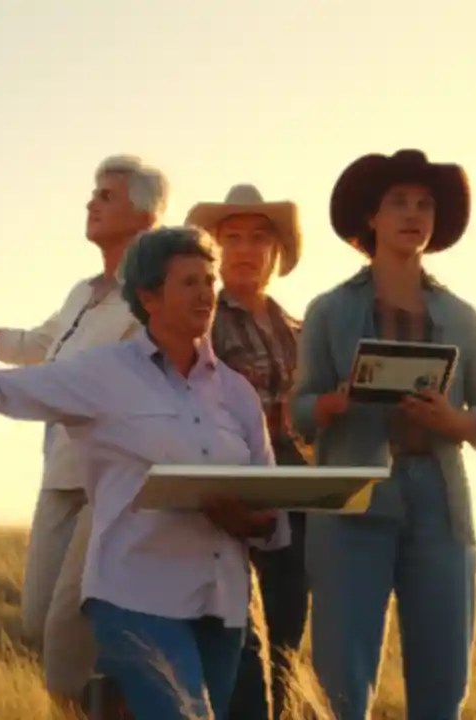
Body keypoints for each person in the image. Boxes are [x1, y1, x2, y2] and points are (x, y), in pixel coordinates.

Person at [0, 226, 290, 720]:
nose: (207, 293)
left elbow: (266, 500)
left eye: (209, 280)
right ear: (148, 296)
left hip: (220, 602)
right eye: (189, 282)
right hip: (137, 595)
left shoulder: (237, 394)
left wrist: (248, 521)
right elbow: (0, 388)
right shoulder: (104, 374)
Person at [0, 155, 165, 704]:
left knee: (78, 628)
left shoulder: (149, 300)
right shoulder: (82, 291)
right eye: (93, 193)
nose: (91, 203)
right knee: (38, 620)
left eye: (106, 196)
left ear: (145, 217)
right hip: (59, 475)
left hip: (111, 481)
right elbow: (36, 348)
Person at [290, 149, 476, 720]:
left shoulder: (462, 316)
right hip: (352, 498)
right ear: (371, 218)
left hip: (438, 500)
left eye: (425, 205)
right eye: (399, 203)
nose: (414, 215)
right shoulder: (329, 310)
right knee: (342, 674)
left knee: (442, 677)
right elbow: (299, 410)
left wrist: (453, 421)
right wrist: (336, 402)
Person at [185, 184, 308, 720]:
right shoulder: (200, 322)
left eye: (259, 237)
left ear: (276, 252)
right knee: (223, 626)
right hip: (225, 483)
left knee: (286, 624)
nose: (245, 249)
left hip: (296, 487)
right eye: (231, 237)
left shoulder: (302, 329)